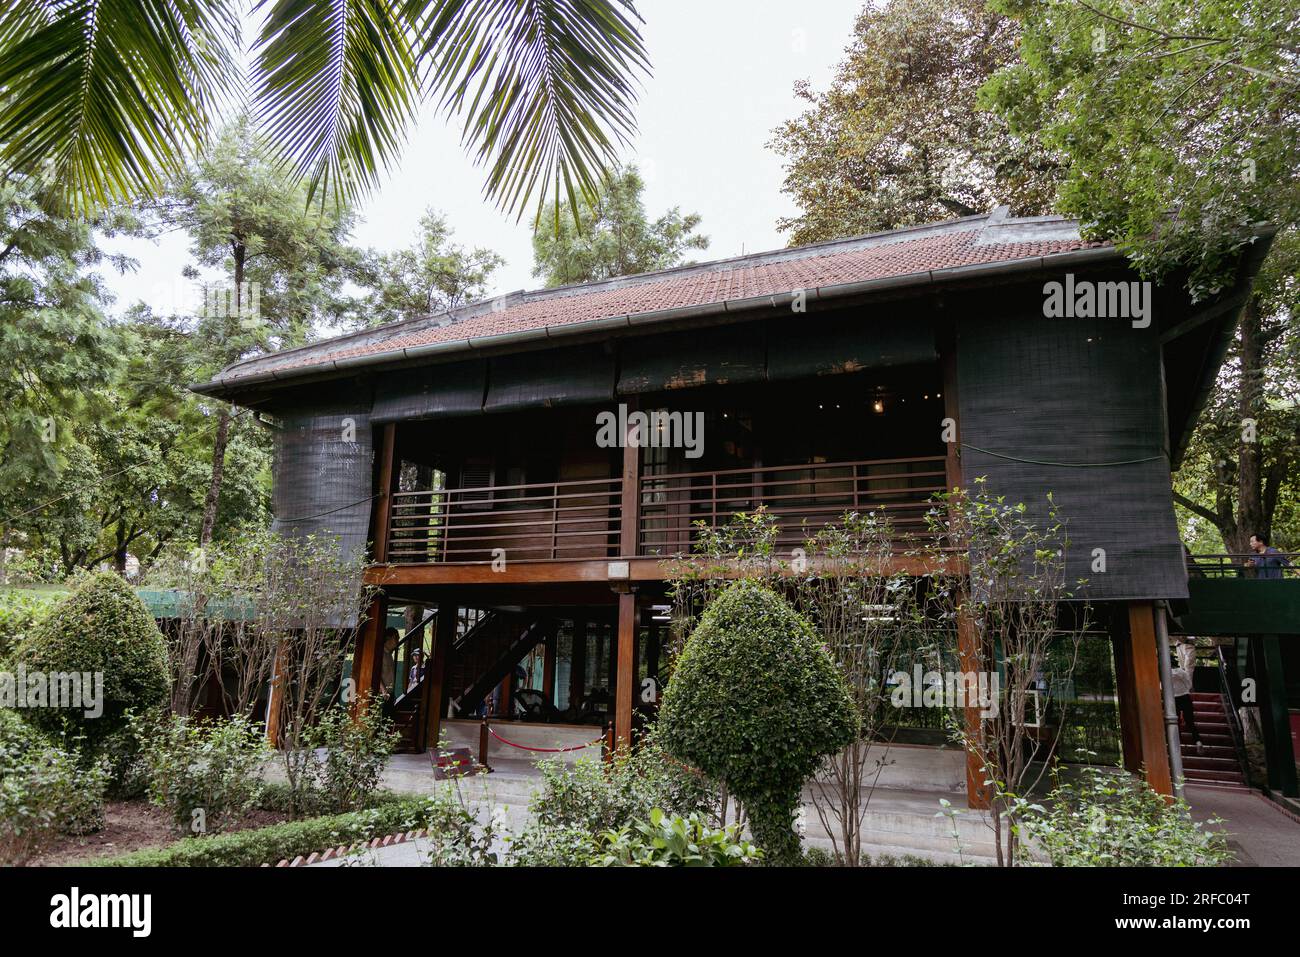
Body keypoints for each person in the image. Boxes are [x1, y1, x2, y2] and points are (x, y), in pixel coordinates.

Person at [1171, 637, 1203, 754]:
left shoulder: (1166, 675)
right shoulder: (1181, 672)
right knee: (1190, 722)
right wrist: (1188, 688)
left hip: (1174, 699)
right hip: (1185, 697)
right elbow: (1188, 683)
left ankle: (1176, 745)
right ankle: (1198, 741)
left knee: (1175, 722)